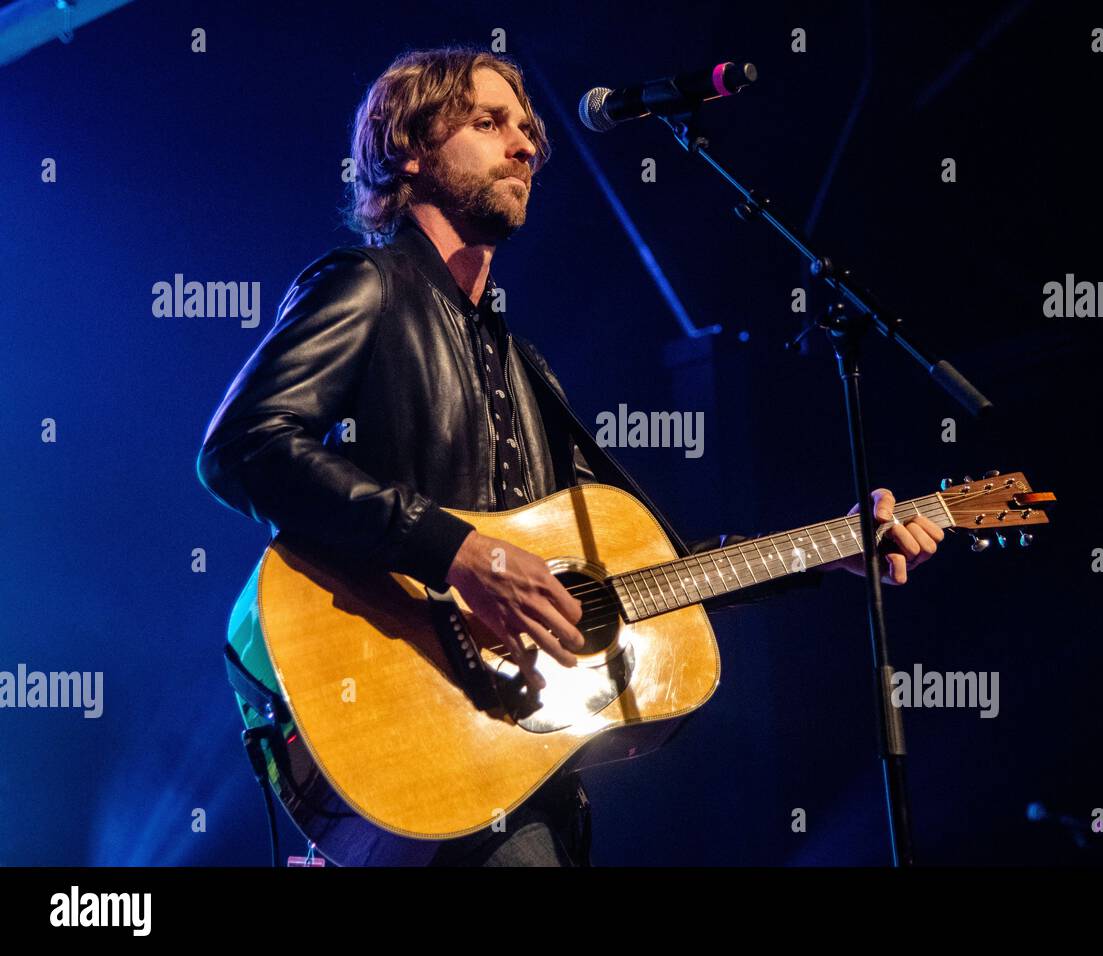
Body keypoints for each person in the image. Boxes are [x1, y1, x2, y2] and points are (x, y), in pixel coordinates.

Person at [197, 45, 943, 867]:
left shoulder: (527, 367)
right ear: (407, 147)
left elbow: (640, 570)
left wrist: (833, 550)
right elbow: (245, 445)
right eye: (489, 123)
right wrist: (462, 552)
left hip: (519, 765)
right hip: (414, 725)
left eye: (527, 130)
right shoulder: (368, 286)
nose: (525, 146)